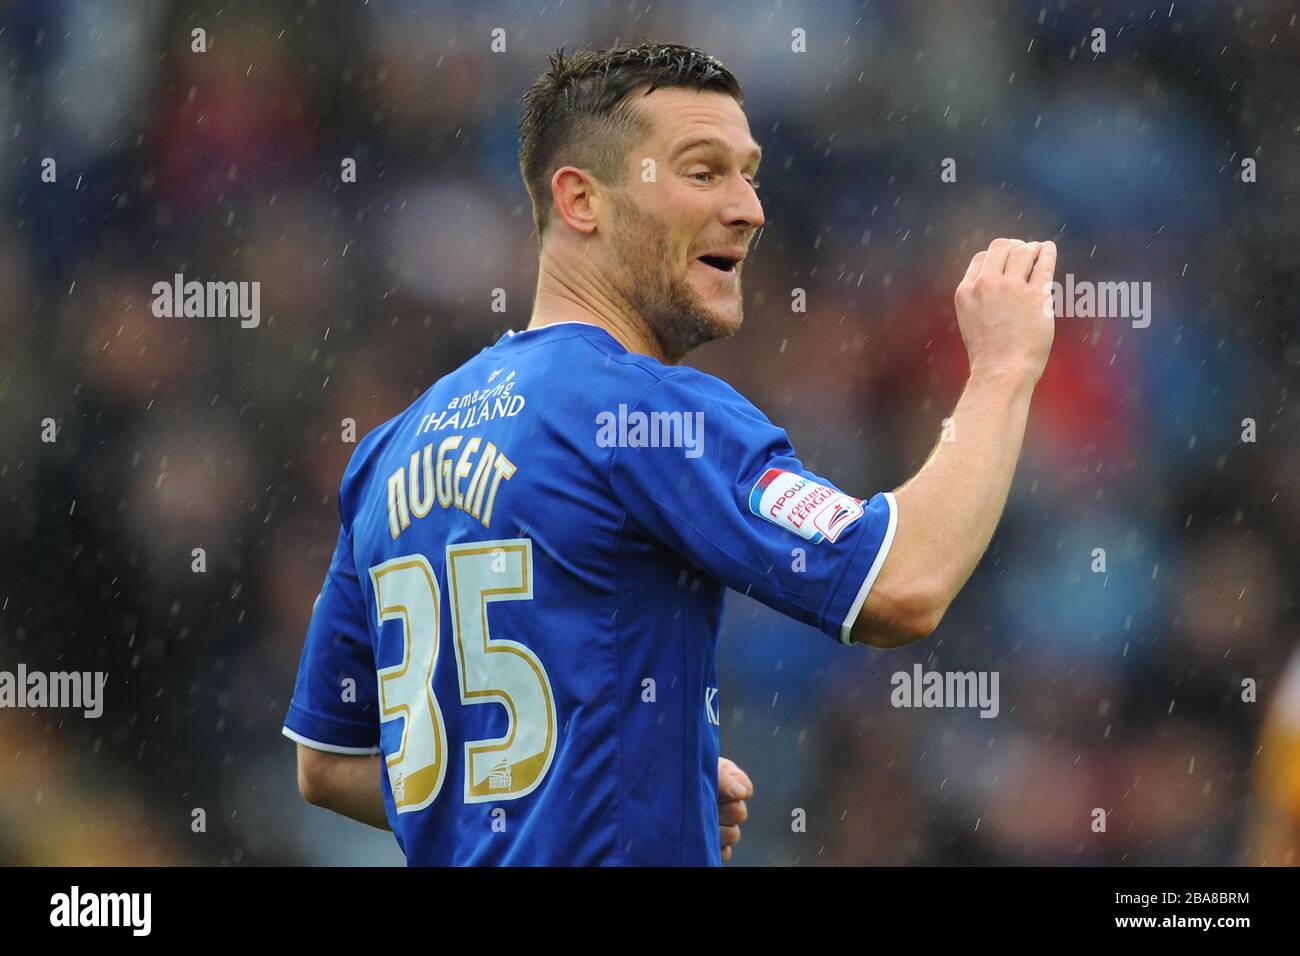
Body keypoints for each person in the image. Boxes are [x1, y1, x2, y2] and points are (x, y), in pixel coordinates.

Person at [283, 41, 1057, 865]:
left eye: (748, 172)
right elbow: (901, 586)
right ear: (582, 199)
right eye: (703, 172)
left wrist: (624, 781)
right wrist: (1004, 370)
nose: (751, 207)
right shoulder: (639, 411)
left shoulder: (391, 450)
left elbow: (330, 765)